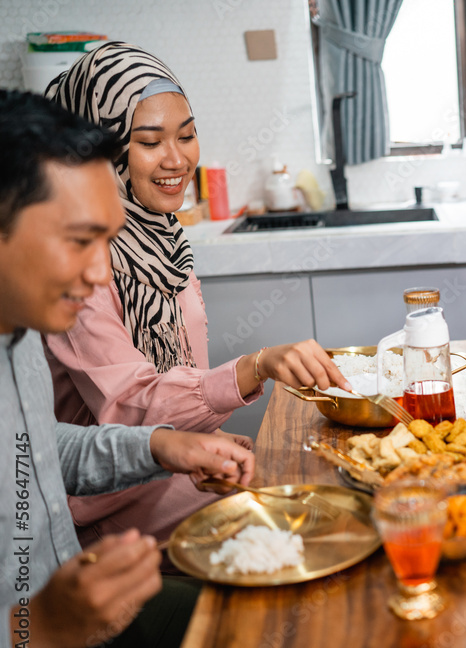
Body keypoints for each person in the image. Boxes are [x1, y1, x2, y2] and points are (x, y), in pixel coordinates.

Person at [41, 42, 351, 547]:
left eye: (187, 136)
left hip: (173, 463)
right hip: (113, 504)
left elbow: (174, 379)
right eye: (149, 142)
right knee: (310, 527)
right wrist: (254, 366)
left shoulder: (163, 240)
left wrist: (201, 443)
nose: (177, 158)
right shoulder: (79, 266)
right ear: (101, 152)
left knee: (322, 482)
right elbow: (127, 406)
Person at [0, 89, 255, 648]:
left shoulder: (15, 340)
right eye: (79, 241)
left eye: (108, 241)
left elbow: (35, 447)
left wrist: (161, 445)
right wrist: (33, 631)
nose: (100, 274)